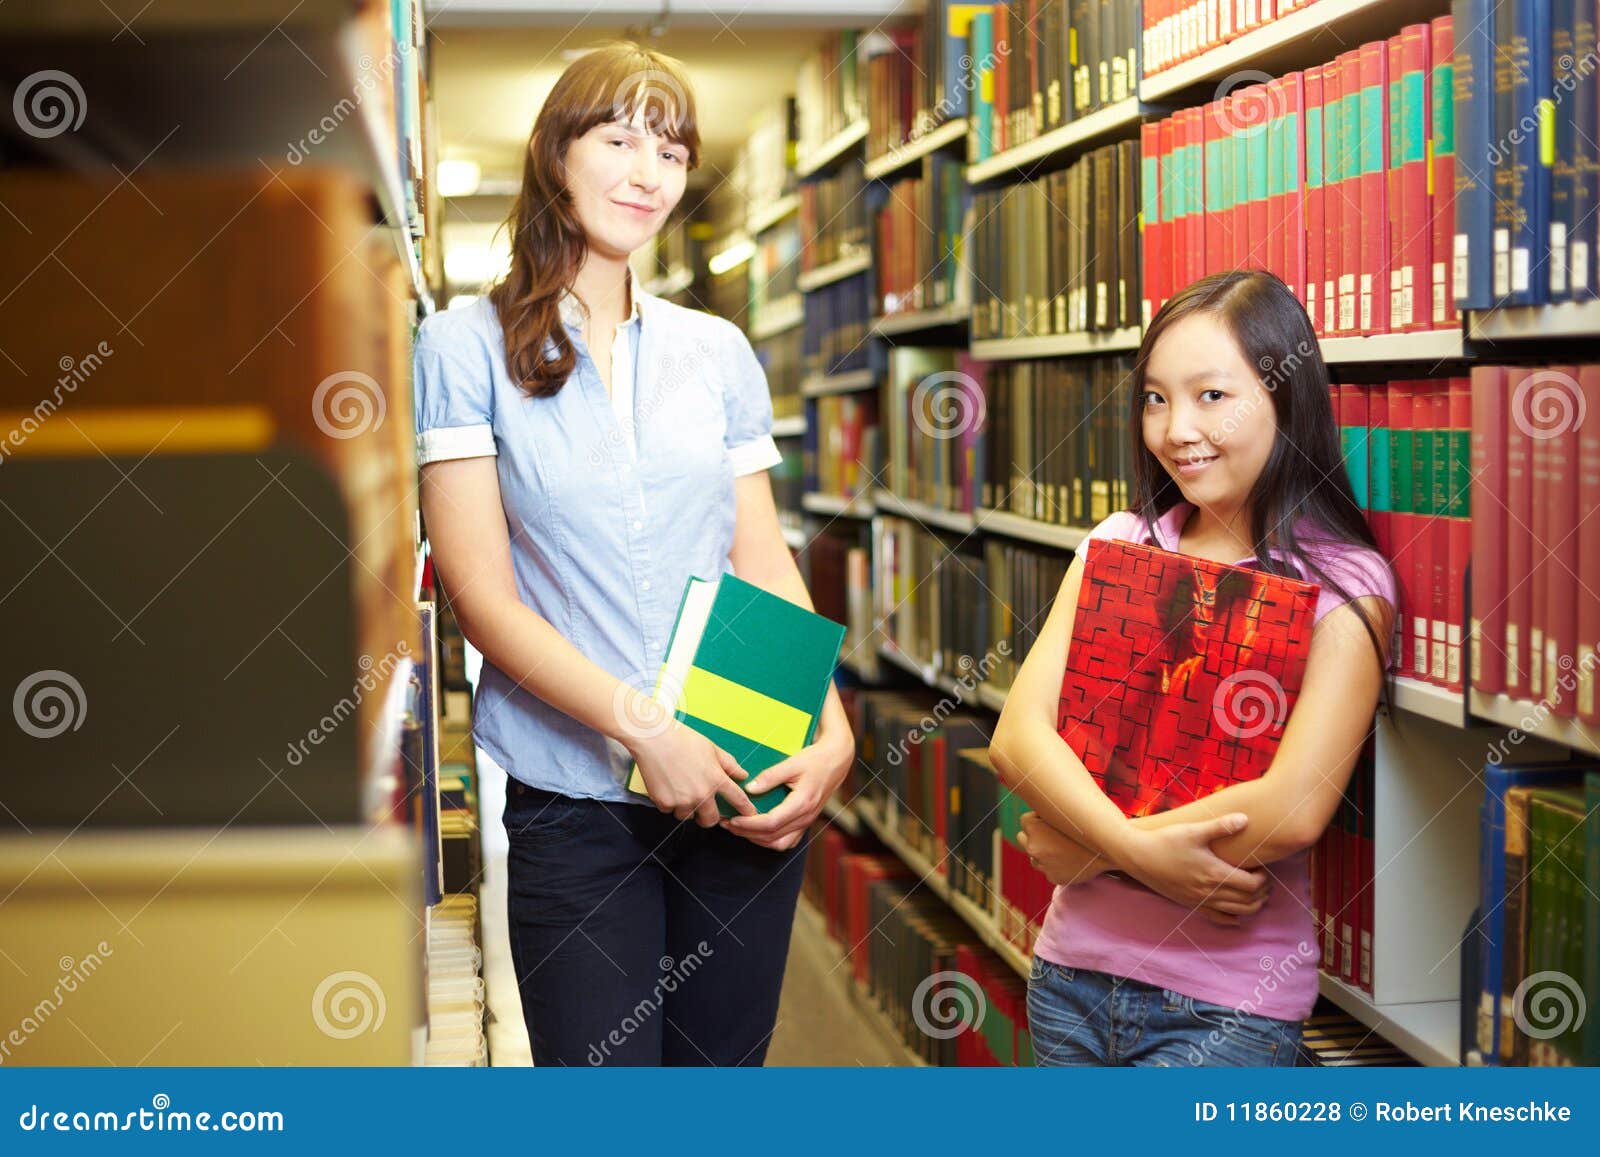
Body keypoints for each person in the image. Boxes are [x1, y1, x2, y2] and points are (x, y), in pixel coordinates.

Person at [412, 41, 853, 1066]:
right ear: (555, 157)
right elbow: (481, 596)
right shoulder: (463, 346)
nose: (646, 172)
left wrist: (825, 723)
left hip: (744, 775)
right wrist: (644, 727)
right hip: (578, 802)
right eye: (617, 140)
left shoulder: (717, 352)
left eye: (670, 149)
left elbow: (762, 561)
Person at [988, 270, 1398, 1066]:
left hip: (1226, 1007)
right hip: (1068, 975)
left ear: (1288, 397)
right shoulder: (1119, 541)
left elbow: (1292, 809)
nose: (1178, 429)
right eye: (1155, 398)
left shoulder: (1345, 584)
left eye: (1213, 396)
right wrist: (1145, 854)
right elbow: (1017, 736)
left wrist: (1098, 851)